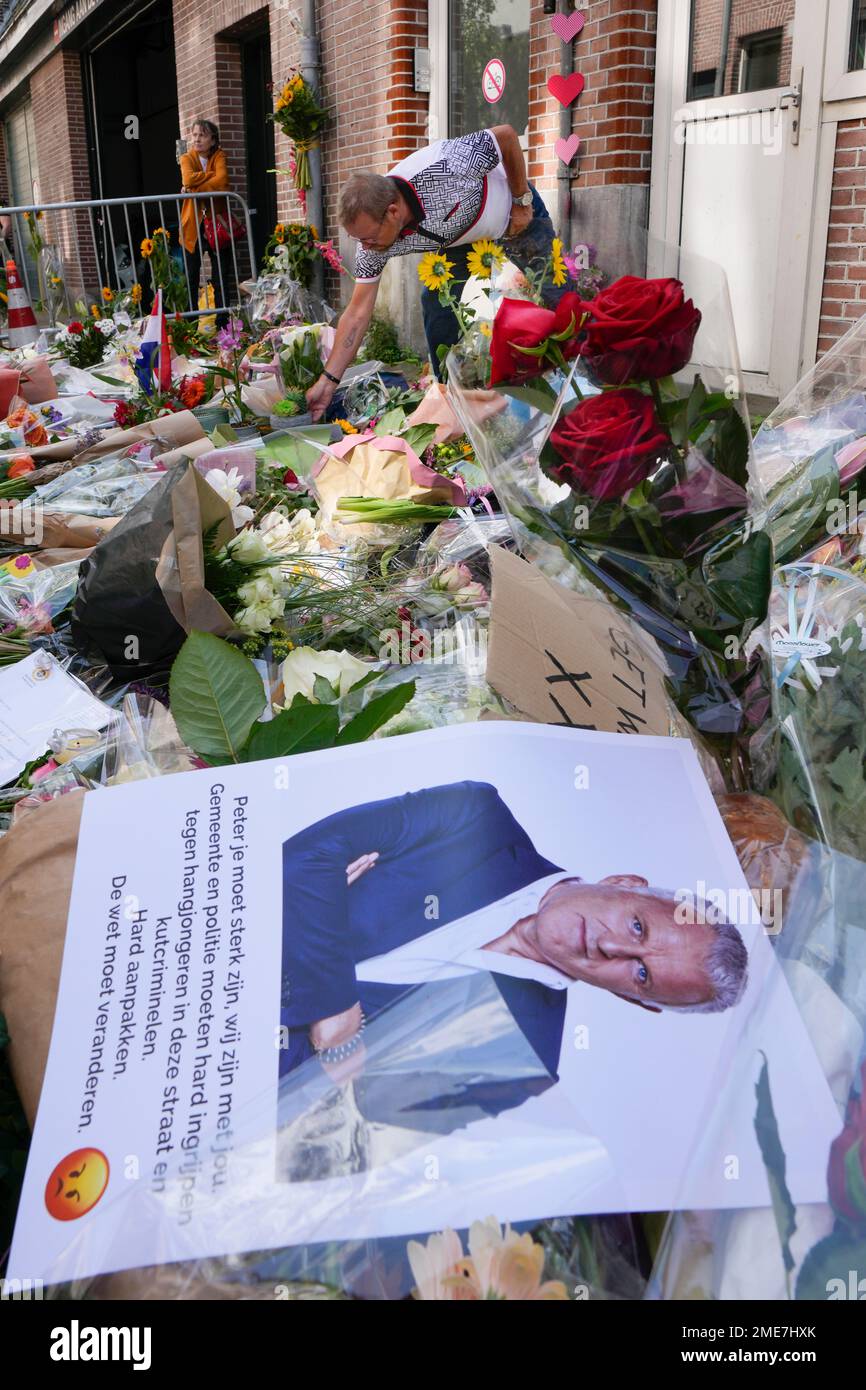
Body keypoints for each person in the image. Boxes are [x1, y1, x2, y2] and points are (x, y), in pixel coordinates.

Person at [279, 781, 749, 1099]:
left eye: (642, 974)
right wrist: (336, 1014)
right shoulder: (476, 819)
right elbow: (302, 860)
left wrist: (311, 911)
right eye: (638, 927)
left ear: (633, 1000)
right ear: (627, 884)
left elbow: (327, 1139)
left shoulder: (526, 1059)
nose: (614, 948)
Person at [305, 125, 567, 416]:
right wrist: (327, 382)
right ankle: (451, 403)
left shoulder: (447, 167)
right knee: (437, 306)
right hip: (461, 236)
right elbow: (357, 313)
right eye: (359, 240)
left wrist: (521, 200)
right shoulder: (373, 243)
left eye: (368, 237)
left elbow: (506, 136)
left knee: (557, 298)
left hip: (513, 212)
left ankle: (578, 385)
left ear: (393, 212)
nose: (365, 246)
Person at [179, 118, 237, 328]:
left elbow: (222, 181)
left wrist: (195, 188)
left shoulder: (219, 155)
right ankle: (190, 326)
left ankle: (223, 324)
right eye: (194, 135)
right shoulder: (186, 158)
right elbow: (187, 179)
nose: (197, 139)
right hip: (192, 226)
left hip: (217, 224)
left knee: (221, 274)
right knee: (191, 277)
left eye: (202, 135)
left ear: (213, 140)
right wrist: (208, 179)